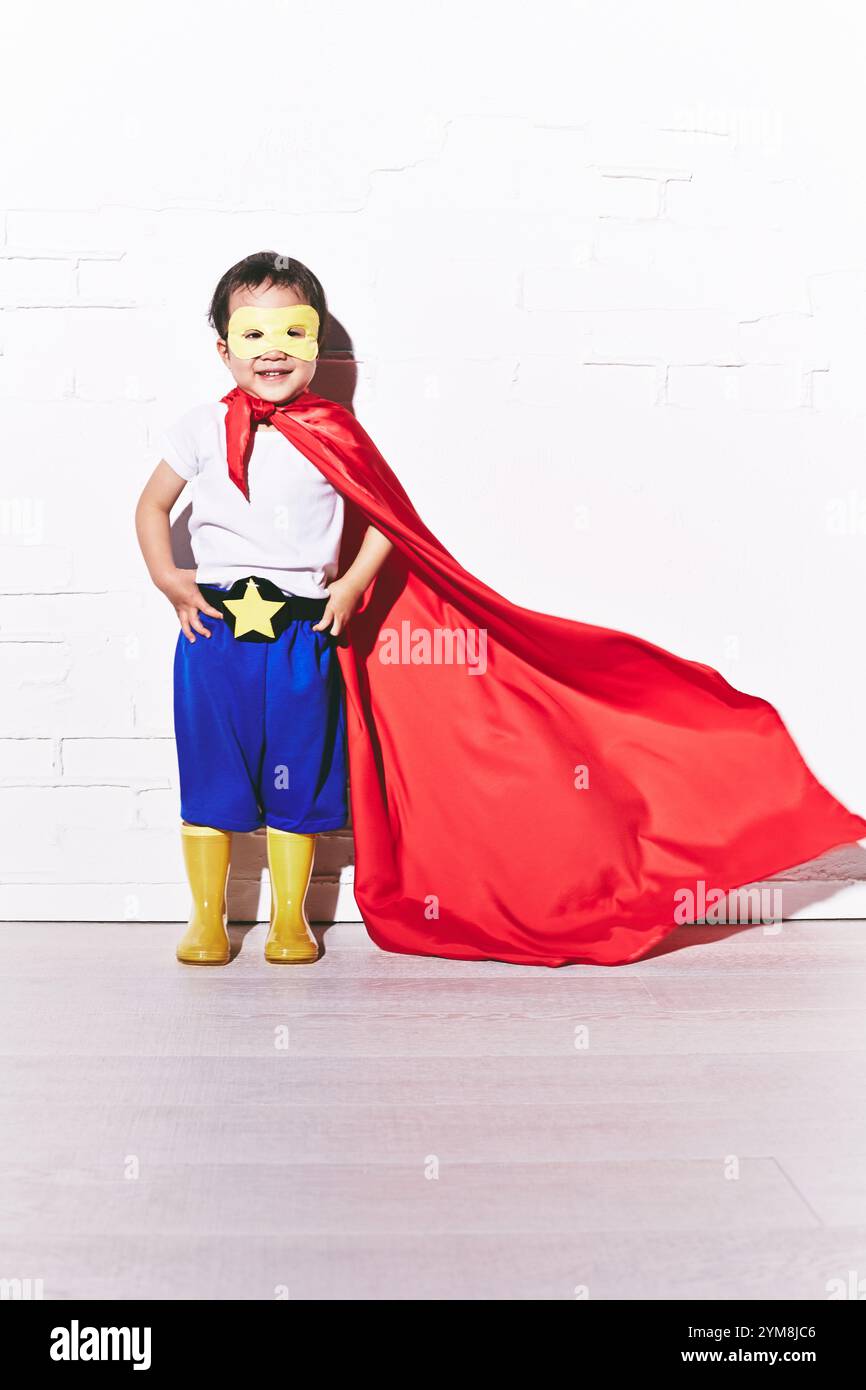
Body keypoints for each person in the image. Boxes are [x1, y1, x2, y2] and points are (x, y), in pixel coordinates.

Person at [136, 249, 866, 970]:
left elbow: (390, 520)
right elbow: (153, 503)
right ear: (224, 346)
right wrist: (169, 575)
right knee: (212, 771)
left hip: (304, 630)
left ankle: (288, 925)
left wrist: (352, 586)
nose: (272, 351)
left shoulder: (338, 432)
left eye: (291, 331)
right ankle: (207, 921)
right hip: (215, 629)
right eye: (253, 334)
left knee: (302, 778)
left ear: (317, 341)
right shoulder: (200, 428)